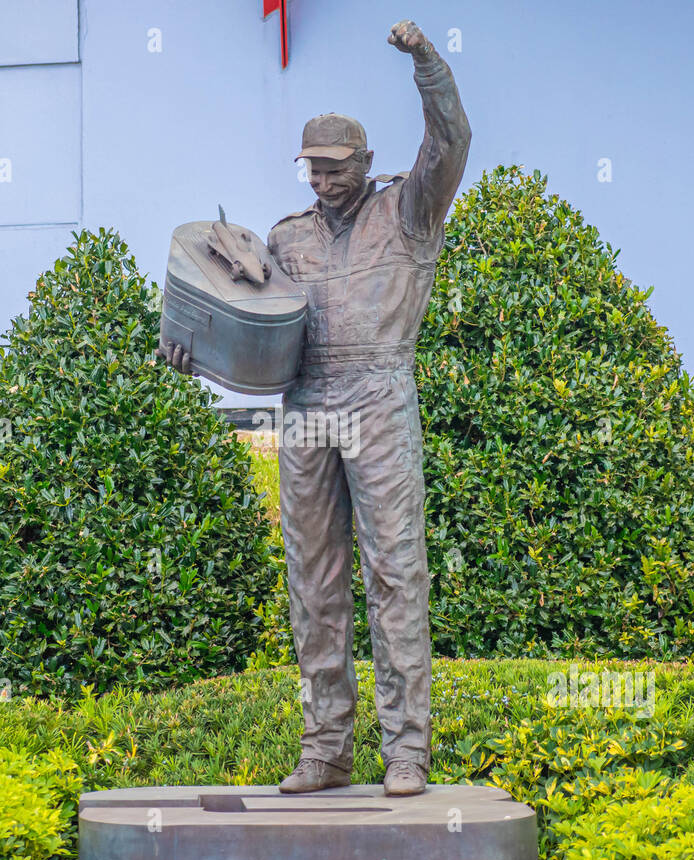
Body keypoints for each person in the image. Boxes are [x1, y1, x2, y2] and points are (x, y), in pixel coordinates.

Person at [161, 19, 469, 797]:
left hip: (378, 399)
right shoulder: (284, 238)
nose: (321, 181)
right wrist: (193, 346)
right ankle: (325, 746)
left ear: (364, 164)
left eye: (335, 168)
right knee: (313, 580)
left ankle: (407, 750)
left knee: (395, 572)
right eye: (312, 168)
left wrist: (425, 61)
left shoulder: (410, 211)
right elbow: (253, 338)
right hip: (307, 411)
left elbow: (452, 136)